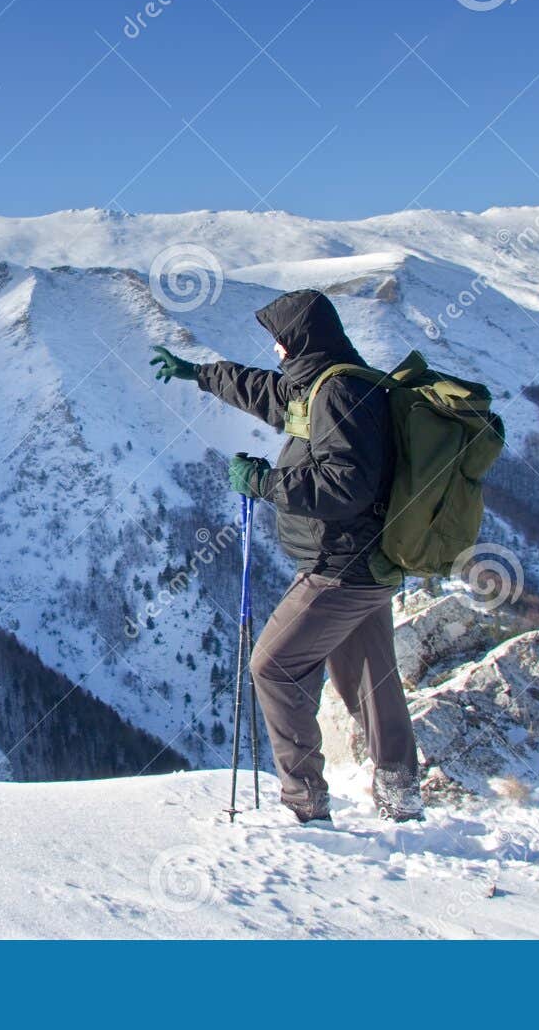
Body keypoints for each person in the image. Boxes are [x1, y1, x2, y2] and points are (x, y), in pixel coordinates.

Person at [150, 289, 423, 824]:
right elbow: (272, 395)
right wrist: (200, 374)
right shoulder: (329, 384)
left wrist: (264, 482)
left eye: (279, 339)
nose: (274, 349)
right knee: (370, 681)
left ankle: (304, 805)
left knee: (273, 667)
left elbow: (346, 487)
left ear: (299, 338)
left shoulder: (339, 393)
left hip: (339, 566)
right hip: (368, 566)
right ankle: (401, 800)